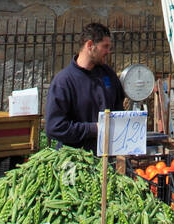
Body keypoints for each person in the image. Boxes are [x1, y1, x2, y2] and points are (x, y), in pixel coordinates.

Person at [45, 23, 124, 151]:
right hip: (76, 161)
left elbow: (119, 110)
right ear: (89, 45)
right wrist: (94, 128)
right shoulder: (64, 81)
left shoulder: (108, 74)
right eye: (105, 46)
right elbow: (54, 127)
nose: (108, 51)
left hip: (108, 158)